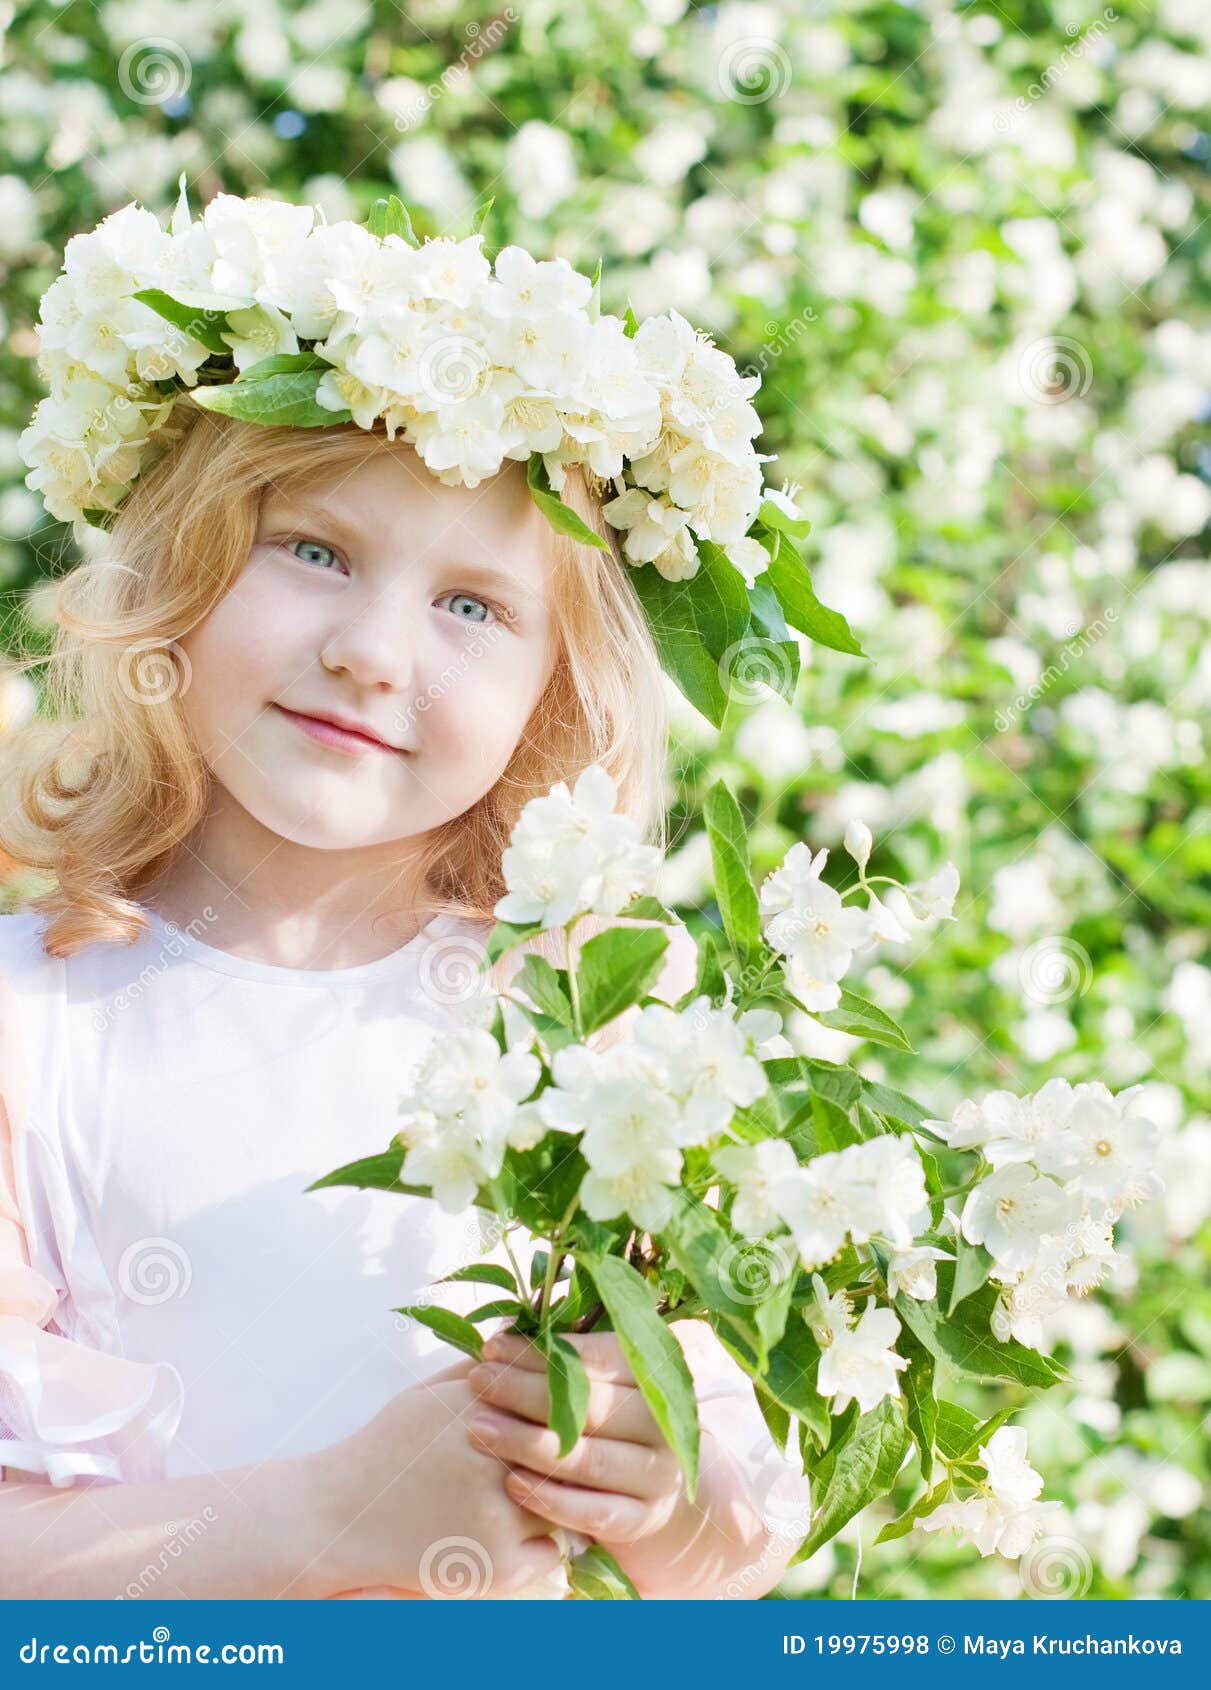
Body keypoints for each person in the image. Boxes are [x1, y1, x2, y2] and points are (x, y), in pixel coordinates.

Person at [0, 196, 814, 1598]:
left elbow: (739, 1519)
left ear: (553, 690)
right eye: (315, 551)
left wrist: (662, 1490)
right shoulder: (37, 1025)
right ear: (180, 569)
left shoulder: (586, 1021)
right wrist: (331, 1516)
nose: (373, 653)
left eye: (473, 607)